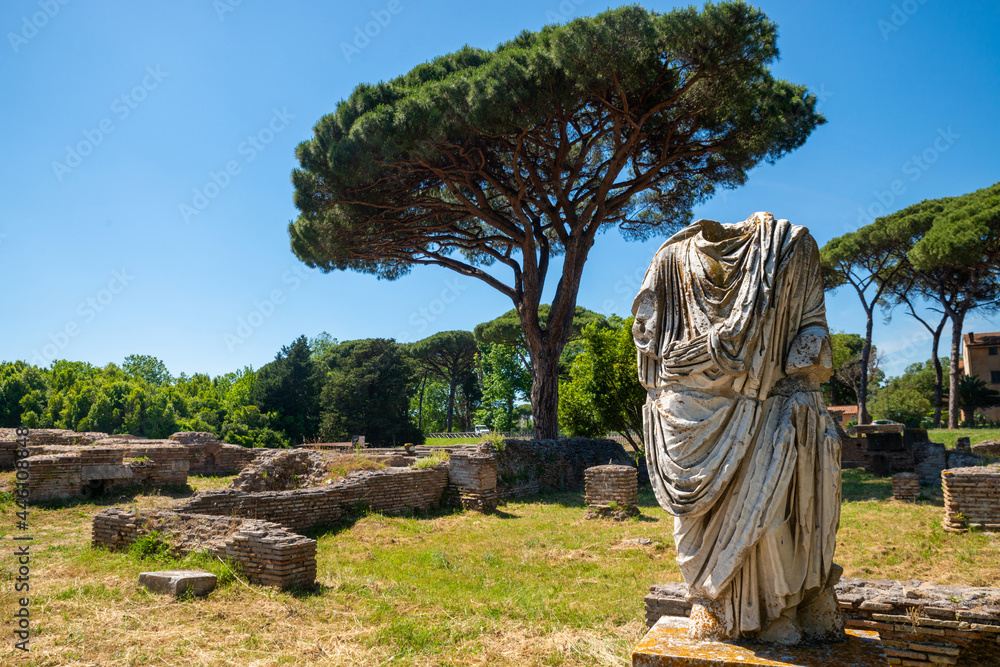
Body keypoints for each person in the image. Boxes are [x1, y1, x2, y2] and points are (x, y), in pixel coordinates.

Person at [632, 212, 844, 644]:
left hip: (767, 407)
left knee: (768, 515)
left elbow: (811, 336)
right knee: (696, 517)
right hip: (687, 416)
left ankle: (775, 610)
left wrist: (791, 374)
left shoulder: (790, 246)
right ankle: (712, 604)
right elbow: (650, 348)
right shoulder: (671, 258)